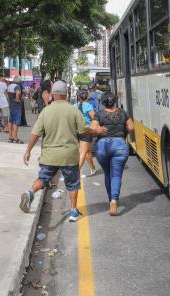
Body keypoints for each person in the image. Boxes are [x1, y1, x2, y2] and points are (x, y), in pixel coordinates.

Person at [21, 80, 107, 221]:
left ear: (52, 94)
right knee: (72, 183)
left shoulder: (45, 111)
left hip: (49, 155)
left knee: (43, 178)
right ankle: (73, 212)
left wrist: (28, 150)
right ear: (66, 94)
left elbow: (35, 133)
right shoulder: (73, 111)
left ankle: (30, 192)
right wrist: (97, 130)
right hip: (68, 155)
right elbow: (84, 130)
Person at [92, 91, 134, 216]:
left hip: (102, 147)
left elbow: (93, 128)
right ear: (115, 101)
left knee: (107, 173)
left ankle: (110, 198)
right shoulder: (123, 113)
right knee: (116, 175)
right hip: (120, 145)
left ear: (103, 103)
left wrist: (100, 130)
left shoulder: (99, 115)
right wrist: (123, 131)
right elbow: (131, 127)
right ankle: (114, 201)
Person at [74, 89, 97, 175]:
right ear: (86, 97)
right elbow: (95, 118)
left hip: (76, 131)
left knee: (88, 151)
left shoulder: (74, 106)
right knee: (83, 152)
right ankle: (76, 173)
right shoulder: (88, 106)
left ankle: (93, 168)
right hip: (86, 131)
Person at [7, 76, 24, 143]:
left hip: (11, 104)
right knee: (16, 121)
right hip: (16, 105)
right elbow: (18, 93)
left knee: (11, 120)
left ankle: (10, 137)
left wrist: (10, 99)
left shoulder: (9, 86)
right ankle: (15, 137)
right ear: (18, 81)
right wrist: (17, 100)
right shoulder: (17, 86)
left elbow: (6, 93)